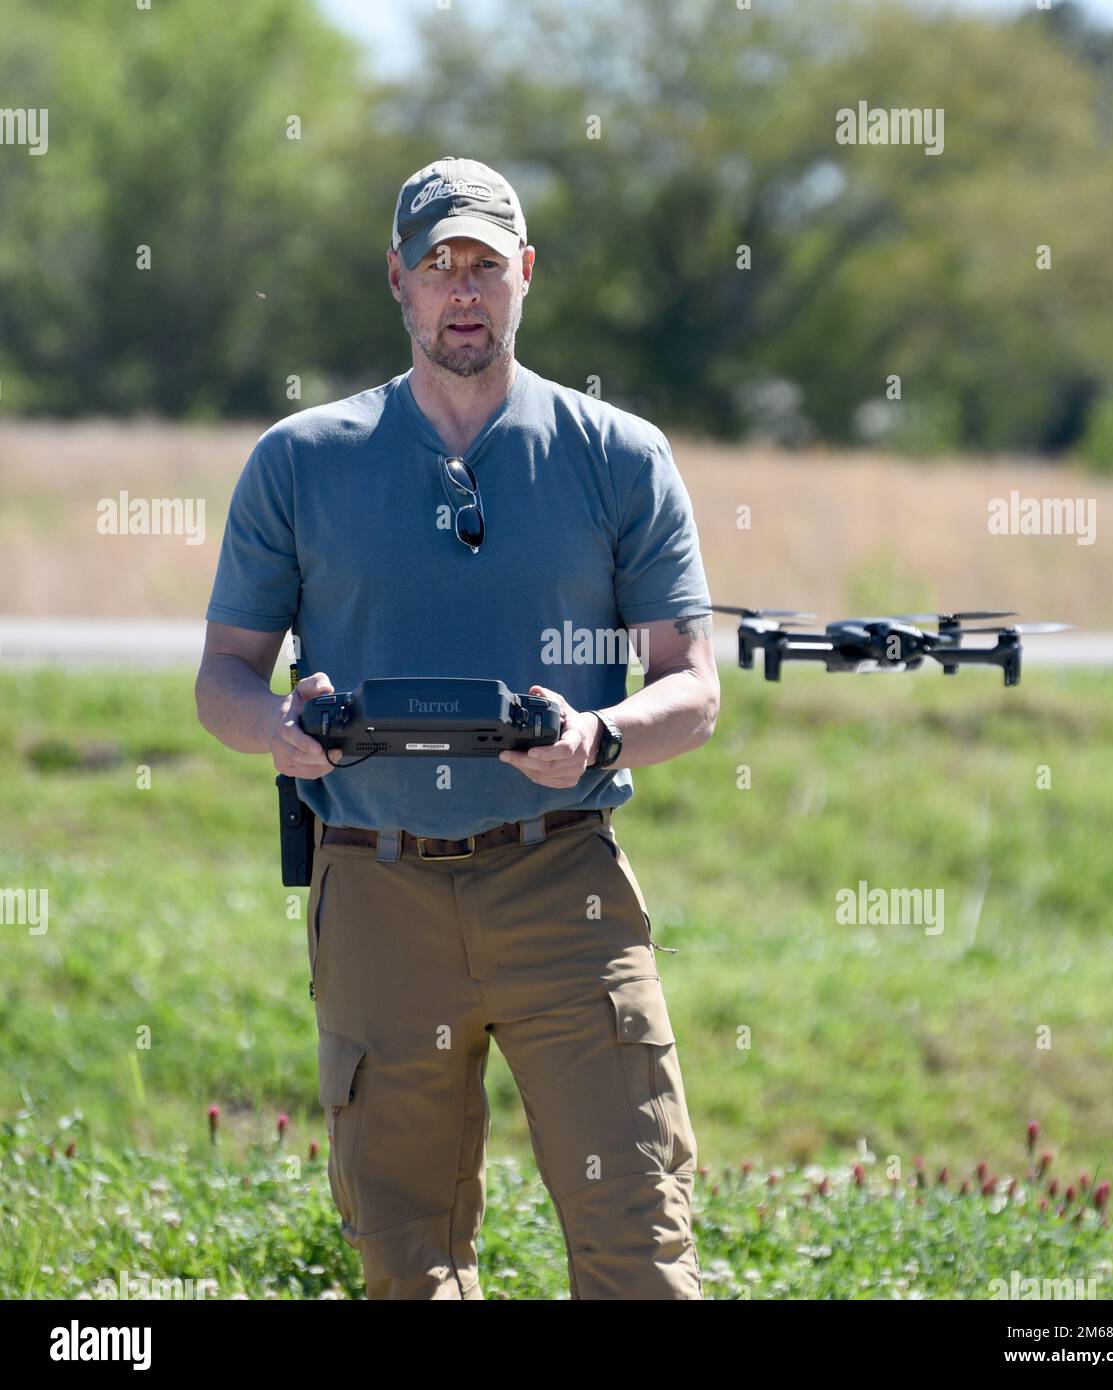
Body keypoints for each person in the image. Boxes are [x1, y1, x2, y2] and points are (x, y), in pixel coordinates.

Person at [194, 156, 719, 1299]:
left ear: (526, 275)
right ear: (397, 280)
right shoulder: (302, 459)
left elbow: (692, 685)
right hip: (374, 889)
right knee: (409, 1265)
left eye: (485, 262)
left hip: (561, 882)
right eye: (439, 265)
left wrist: (599, 734)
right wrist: (279, 727)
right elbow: (222, 680)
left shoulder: (617, 455)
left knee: (640, 1246)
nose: (463, 287)